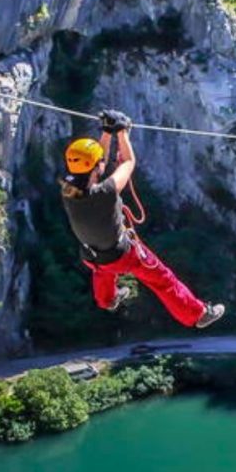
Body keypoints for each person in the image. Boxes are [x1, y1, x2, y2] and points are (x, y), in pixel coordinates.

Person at [59, 109, 225, 329]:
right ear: (96, 166)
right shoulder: (104, 193)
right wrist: (122, 132)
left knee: (103, 270)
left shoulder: (68, 189)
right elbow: (128, 162)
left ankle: (107, 300)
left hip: (92, 254)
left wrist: (108, 131)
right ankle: (197, 315)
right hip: (122, 254)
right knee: (163, 280)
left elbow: (98, 164)